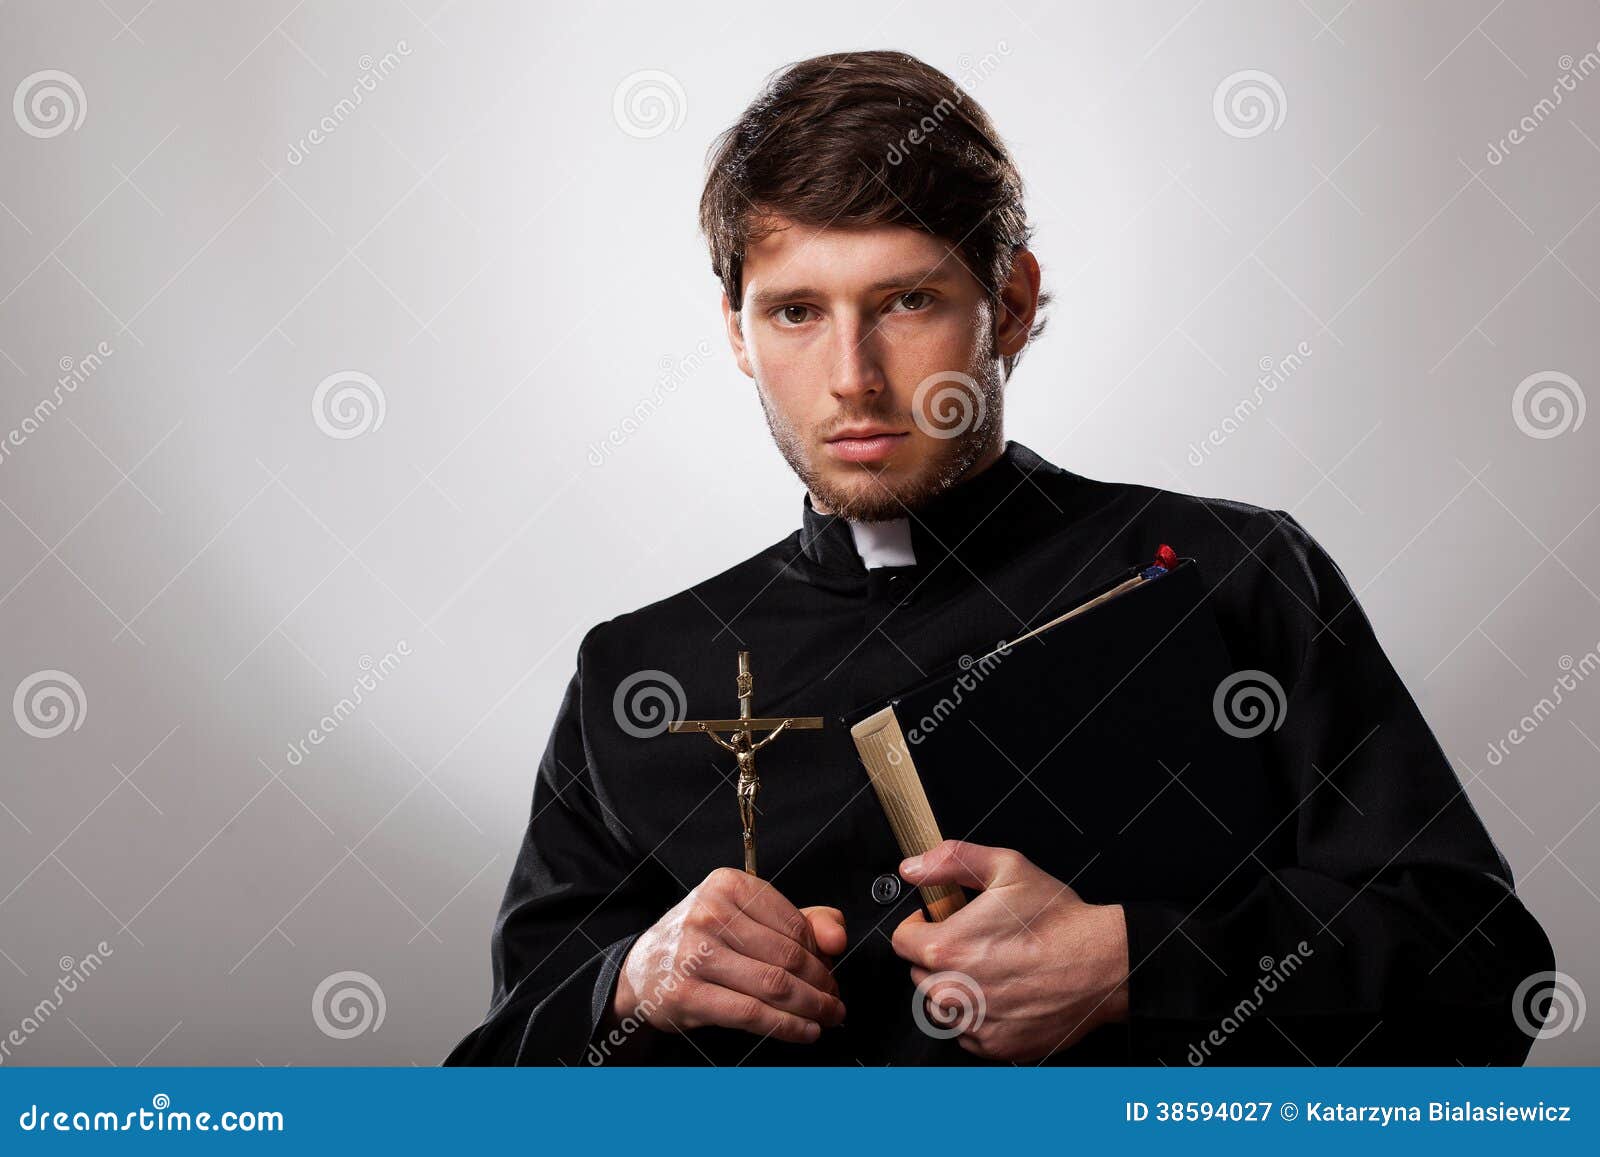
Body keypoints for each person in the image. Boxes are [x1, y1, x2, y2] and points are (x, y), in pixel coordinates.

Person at [444, 50, 1553, 1066]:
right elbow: (482, 1094)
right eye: (794, 312)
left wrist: (1136, 964)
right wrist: (626, 982)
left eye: (908, 301)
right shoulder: (637, 671)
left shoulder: (1228, 572)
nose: (853, 376)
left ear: (1010, 304)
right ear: (736, 332)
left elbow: (1487, 973)